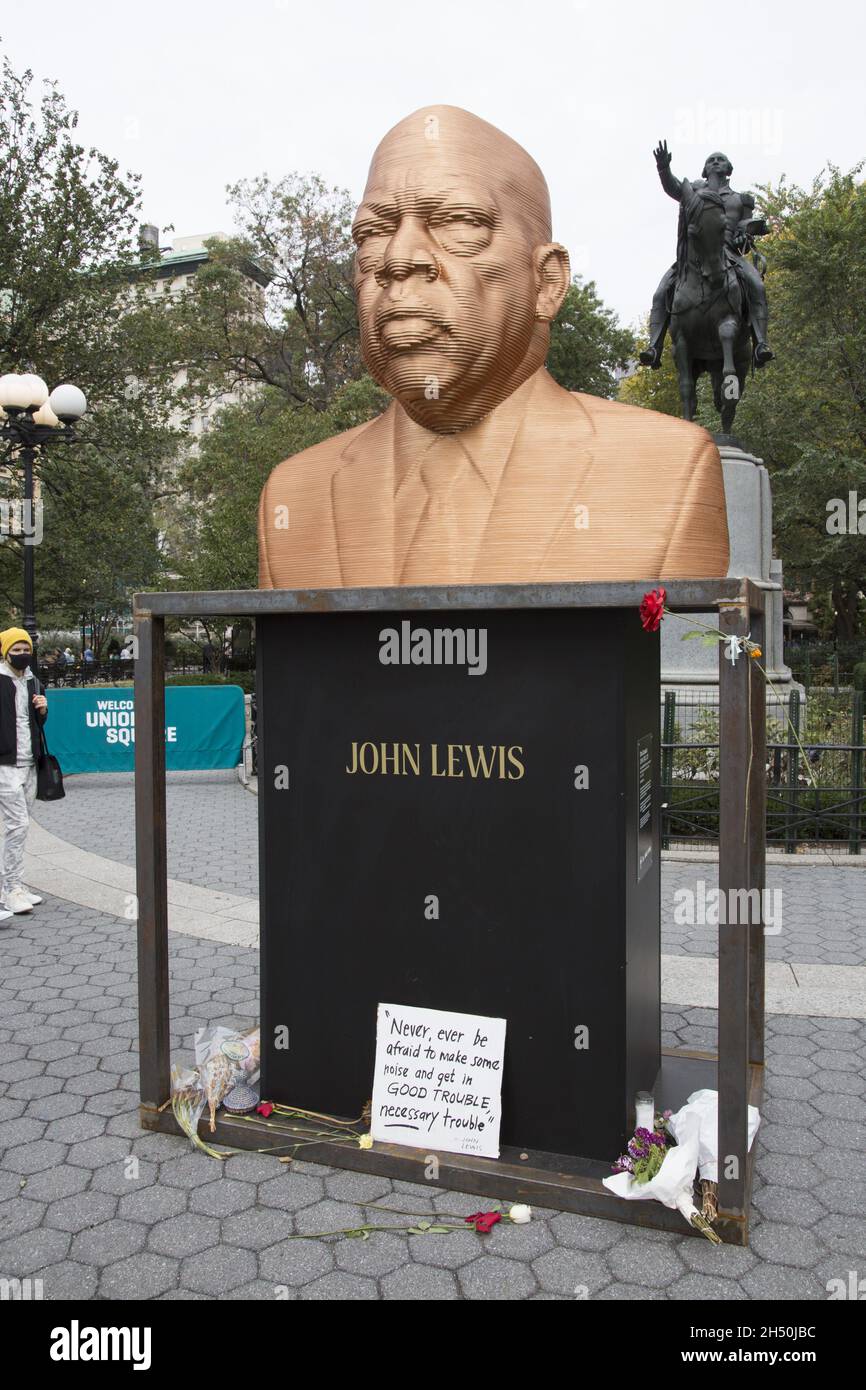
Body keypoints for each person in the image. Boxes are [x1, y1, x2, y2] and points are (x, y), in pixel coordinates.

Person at [258, 106, 729, 589]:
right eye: (372, 233)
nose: (399, 258)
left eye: (460, 222)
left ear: (546, 282)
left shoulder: (667, 474)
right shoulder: (293, 498)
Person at [0, 627, 47, 920]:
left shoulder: (33, 682)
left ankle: (16, 883)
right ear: (5, 652)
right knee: (17, 825)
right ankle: (10, 889)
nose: (22, 655)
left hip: (30, 762)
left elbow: (37, 723)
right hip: (4, 765)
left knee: (21, 825)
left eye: (25, 649)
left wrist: (42, 710)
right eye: (15, 650)